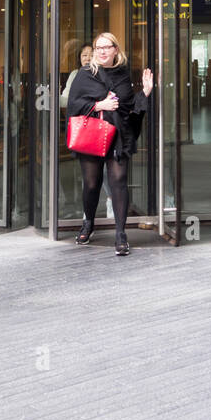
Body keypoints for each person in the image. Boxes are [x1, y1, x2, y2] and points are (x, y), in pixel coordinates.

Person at [66, 32, 153, 255]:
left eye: (107, 47)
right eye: (98, 48)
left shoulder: (124, 74)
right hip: (92, 135)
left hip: (118, 136)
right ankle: (88, 223)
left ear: (116, 49)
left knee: (119, 182)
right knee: (92, 183)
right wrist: (99, 105)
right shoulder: (86, 74)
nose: (102, 51)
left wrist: (145, 92)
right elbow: (74, 104)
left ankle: (121, 234)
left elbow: (129, 107)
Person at [60, 43, 92, 109]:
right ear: (79, 58)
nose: (88, 58)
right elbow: (66, 101)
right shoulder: (75, 74)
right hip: (79, 116)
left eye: (92, 55)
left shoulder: (101, 74)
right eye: (84, 55)